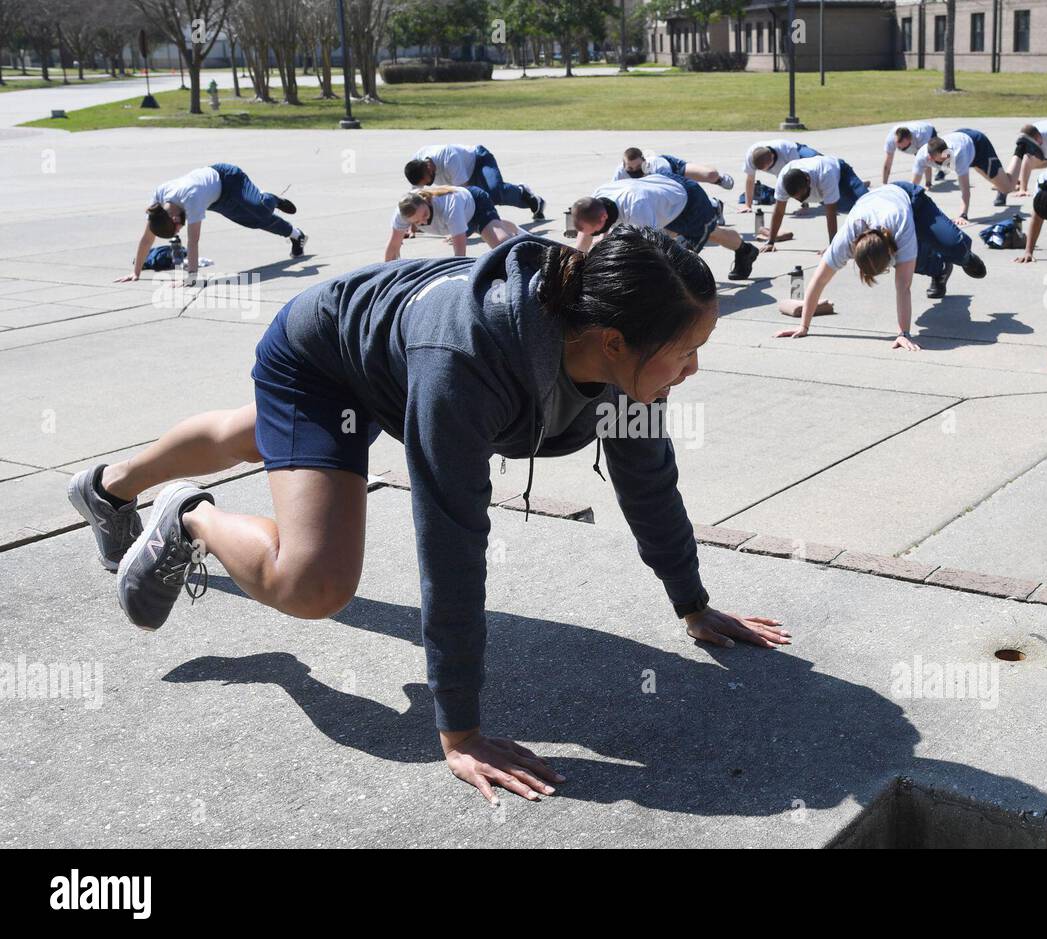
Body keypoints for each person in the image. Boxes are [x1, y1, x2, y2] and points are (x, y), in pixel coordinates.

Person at [67, 228, 789, 805]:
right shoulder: (466, 364)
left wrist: (692, 602)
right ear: (613, 341)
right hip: (322, 357)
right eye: (685, 353)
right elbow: (451, 536)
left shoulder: (619, 361)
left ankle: (106, 487)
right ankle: (188, 515)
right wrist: (460, 729)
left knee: (259, 434)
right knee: (314, 585)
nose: (693, 370)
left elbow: (649, 483)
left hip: (393, 353)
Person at [773, 182, 986, 347]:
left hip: (910, 199)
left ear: (891, 251)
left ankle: (965, 257)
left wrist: (904, 333)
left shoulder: (900, 226)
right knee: (918, 263)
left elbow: (903, 287)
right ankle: (940, 270)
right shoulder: (844, 241)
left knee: (951, 245)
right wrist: (804, 326)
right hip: (875, 202)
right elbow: (818, 281)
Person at [117, 164, 306, 284]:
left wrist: (191, 277)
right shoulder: (158, 202)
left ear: (174, 219)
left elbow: (193, 241)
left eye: (178, 229)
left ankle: (272, 198)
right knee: (254, 221)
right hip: (215, 199)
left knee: (260, 209)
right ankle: (297, 235)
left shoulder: (191, 198)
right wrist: (136, 273)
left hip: (229, 179)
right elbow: (146, 239)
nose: (181, 229)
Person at [570, 174, 759, 279]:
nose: (592, 235)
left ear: (603, 217)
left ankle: (745, 251)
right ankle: (746, 250)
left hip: (689, 202)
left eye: (594, 231)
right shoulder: (596, 200)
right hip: (663, 194)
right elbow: (583, 244)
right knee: (712, 233)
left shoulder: (637, 210)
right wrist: (574, 270)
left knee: (677, 263)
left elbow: (651, 252)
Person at [404, 143, 546, 220]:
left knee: (493, 193)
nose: (426, 185)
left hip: (479, 160)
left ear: (429, 167)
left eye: (427, 182)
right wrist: (413, 225)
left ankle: (522, 191)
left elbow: (464, 195)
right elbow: (416, 198)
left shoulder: (448, 158)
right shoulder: (416, 166)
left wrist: (458, 228)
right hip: (463, 176)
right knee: (489, 197)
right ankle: (533, 201)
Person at [759, 153, 869, 251]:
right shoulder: (783, 182)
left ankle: (857, 188)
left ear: (808, 180)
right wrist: (770, 242)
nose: (801, 199)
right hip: (821, 191)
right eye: (796, 198)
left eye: (803, 195)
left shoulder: (825, 174)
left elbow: (831, 213)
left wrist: (832, 247)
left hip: (841, 174)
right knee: (845, 206)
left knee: (865, 205)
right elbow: (779, 211)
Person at [384, 185, 522, 261]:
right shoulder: (402, 214)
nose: (423, 221)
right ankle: (500, 225)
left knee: (502, 245)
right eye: (417, 222)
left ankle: (518, 235)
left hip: (476, 206)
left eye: (425, 214)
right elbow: (393, 247)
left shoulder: (449, 204)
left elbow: (460, 253)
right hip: (456, 221)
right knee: (494, 228)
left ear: (427, 201)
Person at [911, 130, 1017, 223]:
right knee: (991, 177)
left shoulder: (958, 154)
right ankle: (999, 183)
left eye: (947, 155)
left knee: (1008, 188)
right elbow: (913, 187)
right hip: (962, 141)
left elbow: (965, 188)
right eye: (942, 159)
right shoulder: (921, 157)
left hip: (978, 145)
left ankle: (1020, 151)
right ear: (930, 158)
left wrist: (963, 215)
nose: (946, 159)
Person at [739, 138, 821, 213]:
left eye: (767, 168)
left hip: (797, 151)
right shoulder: (750, 156)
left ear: (772, 156)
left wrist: (805, 205)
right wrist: (748, 205)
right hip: (782, 163)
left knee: (818, 163)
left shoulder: (788, 151)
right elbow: (750, 180)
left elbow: (800, 179)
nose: (766, 171)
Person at [614, 147, 734, 190]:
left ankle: (719, 180)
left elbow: (676, 190)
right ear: (624, 165)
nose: (635, 170)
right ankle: (715, 206)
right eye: (630, 168)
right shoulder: (620, 173)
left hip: (673, 168)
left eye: (638, 166)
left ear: (644, 162)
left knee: (710, 175)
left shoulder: (659, 168)